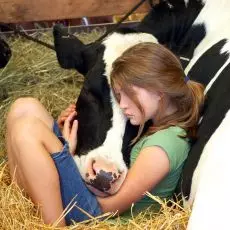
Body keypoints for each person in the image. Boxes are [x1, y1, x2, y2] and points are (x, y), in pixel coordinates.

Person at [6, 42, 205, 226]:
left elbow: (109, 207)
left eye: (130, 94)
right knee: (24, 107)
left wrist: (67, 155)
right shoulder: (158, 126)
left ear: (159, 91)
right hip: (90, 202)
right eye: (119, 96)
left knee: (27, 129)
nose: (123, 105)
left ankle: (55, 225)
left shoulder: (164, 146)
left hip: (94, 213)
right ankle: (29, 198)